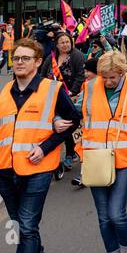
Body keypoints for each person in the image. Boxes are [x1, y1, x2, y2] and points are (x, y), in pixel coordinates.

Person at [0, 37, 79, 253]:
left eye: (25, 58)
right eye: (16, 58)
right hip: (6, 171)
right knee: (24, 225)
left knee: (26, 225)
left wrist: (46, 145)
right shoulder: (0, 94)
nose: (19, 62)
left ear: (38, 62)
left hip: (38, 169)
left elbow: (75, 120)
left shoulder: (52, 89)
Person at [79, 51, 127, 253]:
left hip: (123, 160)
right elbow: (73, 111)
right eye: (104, 77)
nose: (107, 82)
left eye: (112, 77)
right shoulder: (88, 88)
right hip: (96, 159)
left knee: (117, 213)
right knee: (104, 216)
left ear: (122, 73)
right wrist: (57, 120)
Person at [54, 31, 86, 173]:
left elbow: (80, 76)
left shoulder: (76, 55)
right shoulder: (52, 58)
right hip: (55, 96)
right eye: (62, 42)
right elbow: (43, 74)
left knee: (69, 125)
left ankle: (70, 153)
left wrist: (72, 91)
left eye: (67, 42)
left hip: (72, 96)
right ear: (57, 44)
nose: (65, 44)